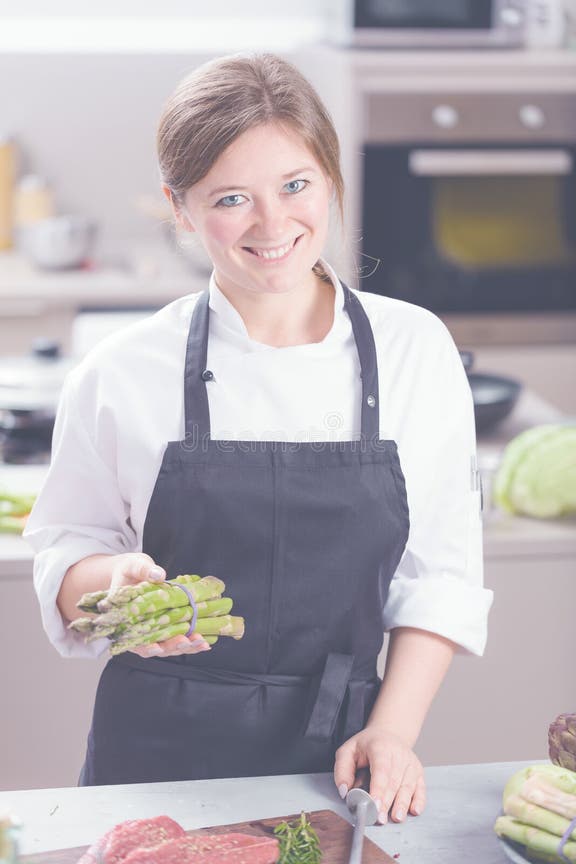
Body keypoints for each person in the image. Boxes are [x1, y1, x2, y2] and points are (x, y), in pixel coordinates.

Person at [25, 52, 493, 823]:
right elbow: (65, 548)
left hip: (341, 754)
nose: (273, 225)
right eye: (232, 198)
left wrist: (394, 732)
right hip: (152, 760)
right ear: (179, 208)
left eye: (296, 186)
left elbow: (439, 575)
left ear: (331, 179)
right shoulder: (123, 370)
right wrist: (110, 588)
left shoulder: (414, 349)